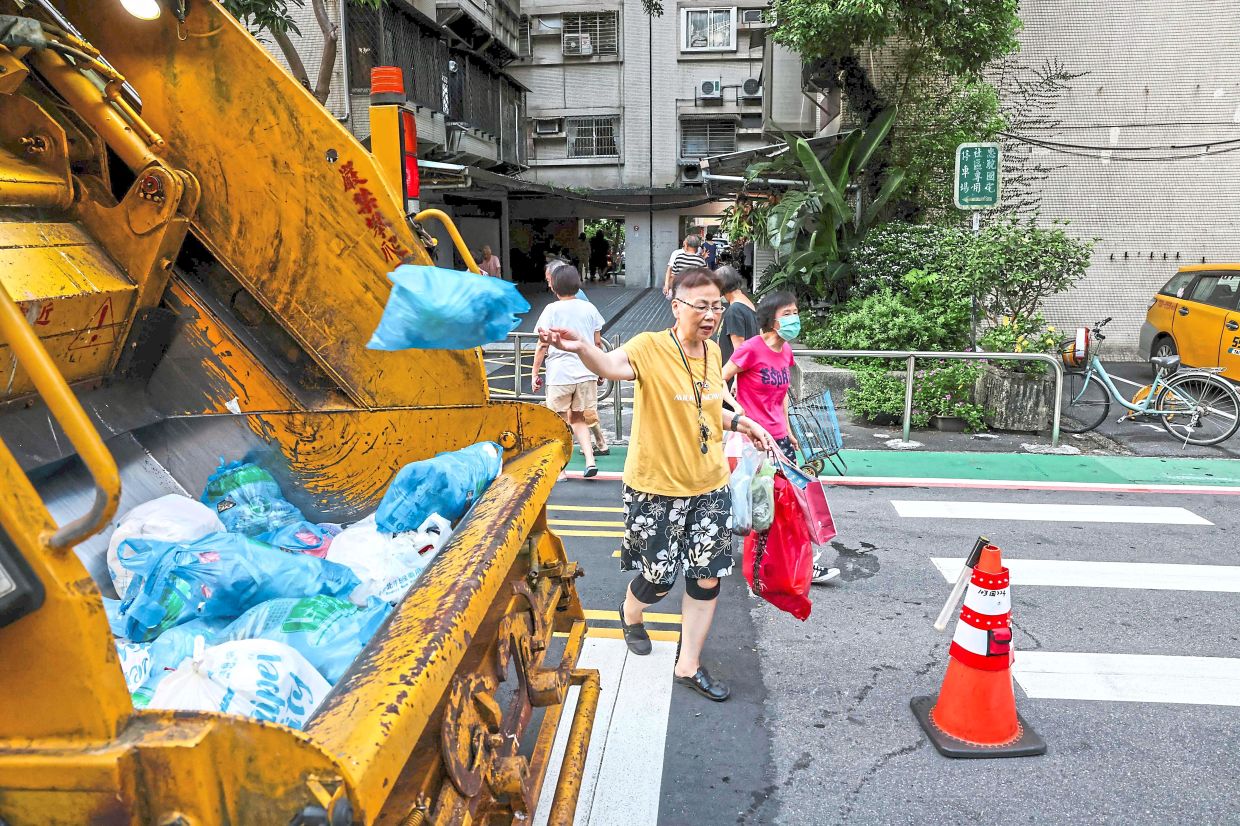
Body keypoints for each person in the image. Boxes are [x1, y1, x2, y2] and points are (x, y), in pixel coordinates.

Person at [539, 267, 778, 702]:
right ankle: (631, 614)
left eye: (717, 307)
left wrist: (742, 422)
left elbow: (705, 409)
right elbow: (610, 366)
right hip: (655, 488)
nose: (711, 315)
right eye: (701, 306)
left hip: (708, 485)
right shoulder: (649, 346)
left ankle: (688, 665)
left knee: (706, 579)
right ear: (677, 306)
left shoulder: (710, 353)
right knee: (659, 578)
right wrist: (581, 350)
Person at [723, 292, 839, 584]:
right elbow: (717, 379)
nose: (794, 318)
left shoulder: (786, 351)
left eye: (795, 311)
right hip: (756, 443)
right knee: (765, 507)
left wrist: (788, 429)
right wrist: (737, 410)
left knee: (790, 505)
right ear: (771, 319)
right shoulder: (751, 349)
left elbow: (782, 395)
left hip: (780, 442)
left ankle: (792, 562)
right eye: (787, 313)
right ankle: (780, 563)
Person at [531, 265, 608, 478]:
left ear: (554, 286)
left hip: (560, 374)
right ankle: (590, 461)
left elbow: (542, 345)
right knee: (578, 419)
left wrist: (535, 373)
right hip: (586, 372)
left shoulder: (551, 310)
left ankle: (561, 469)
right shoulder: (589, 308)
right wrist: (600, 368)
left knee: (558, 421)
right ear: (578, 284)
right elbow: (597, 343)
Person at [715, 265, 758, 367]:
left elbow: (739, 352)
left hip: (733, 378)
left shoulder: (735, 310)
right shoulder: (747, 303)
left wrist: (725, 378)